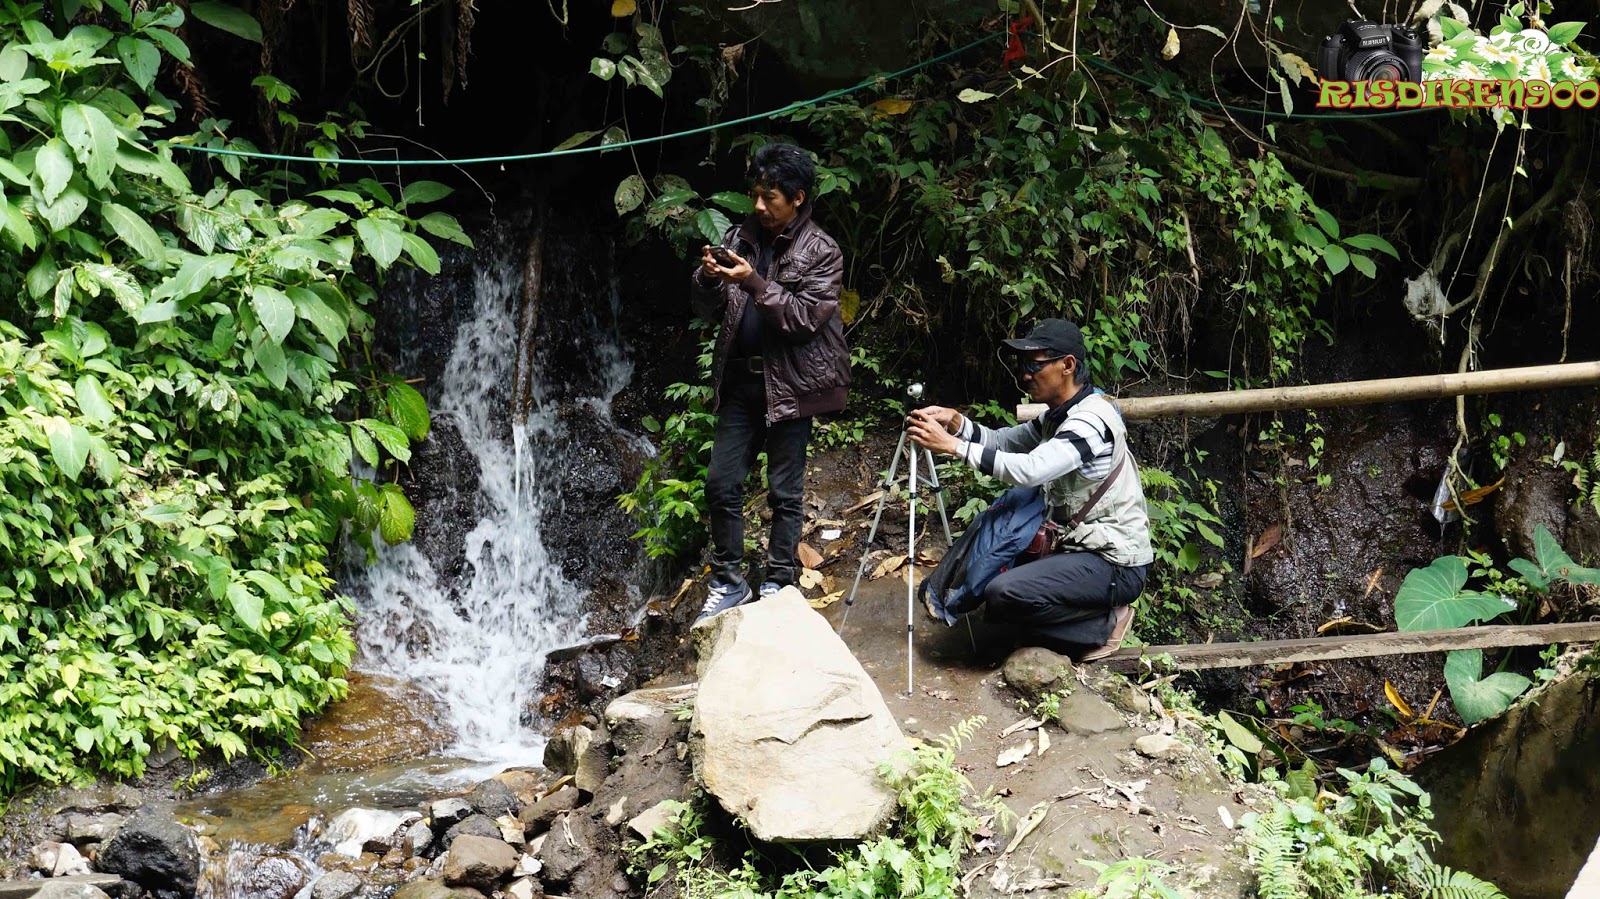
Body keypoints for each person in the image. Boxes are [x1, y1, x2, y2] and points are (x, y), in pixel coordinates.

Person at [905, 318, 1154, 661]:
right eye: (1022, 365)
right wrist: (957, 424)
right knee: (997, 591)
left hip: (1114, 563)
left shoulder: (1091, 419)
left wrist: (952, 446)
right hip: (1078, 547)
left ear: (1067, 365)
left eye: (1034, 365)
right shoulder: (1058, 415)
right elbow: (1004, 442)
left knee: (1003, 596)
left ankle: (1105, 623)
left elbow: (1031, 470)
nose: (1024, 375)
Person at [689, 142, 850, 624]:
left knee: (784, 491)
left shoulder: (822, 251)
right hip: (741, 383)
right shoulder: (741, 236)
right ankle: (728, 582)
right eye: (756, 195)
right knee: (721, 484)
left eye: (771, 197)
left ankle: (779, 581)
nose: (759, 206)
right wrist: (709, 277)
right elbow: (704, 309)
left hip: (792, 387)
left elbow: (803, 320)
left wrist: (753, 281)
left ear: (798, 198)